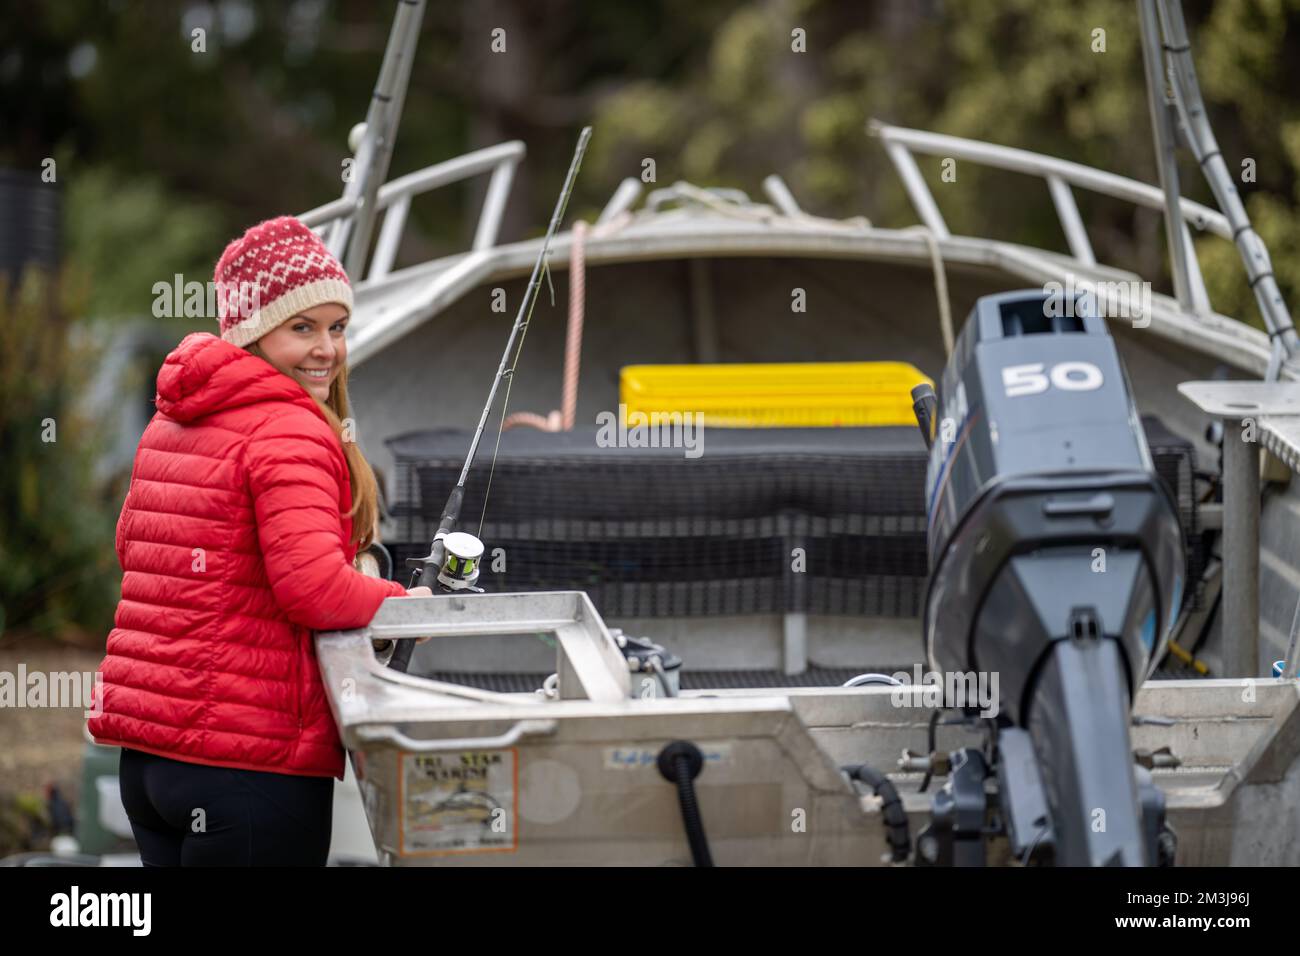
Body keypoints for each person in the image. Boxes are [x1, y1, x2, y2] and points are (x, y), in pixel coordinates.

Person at [88, 216, 431, 866]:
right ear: (250, 331)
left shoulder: (173, 420)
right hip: (249, 770)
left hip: (154, 766)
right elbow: (313, 589)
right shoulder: (288, 429)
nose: (326, 348)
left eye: (336, 327)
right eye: (301, 327)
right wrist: (402, 604)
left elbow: (136, 551)